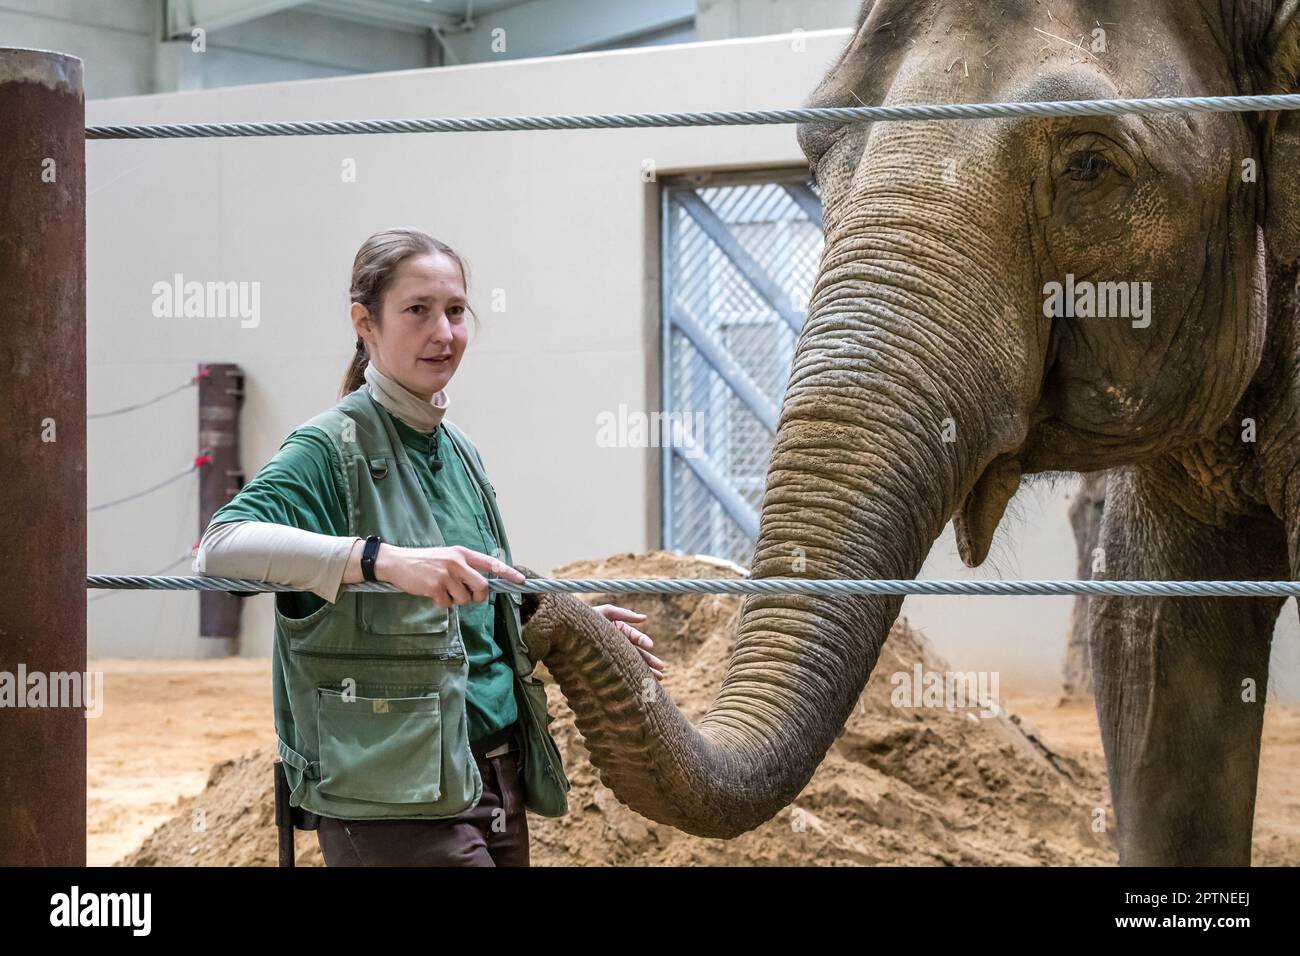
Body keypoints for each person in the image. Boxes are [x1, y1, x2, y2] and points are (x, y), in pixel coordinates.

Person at [193, 227, 666, 866]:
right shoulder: (330, 448)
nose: (443, 333)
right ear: (365, 322)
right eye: (417, 310)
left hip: (491, 773)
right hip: (392, 795)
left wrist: (575, 628)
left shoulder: (460, 450)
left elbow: (463, 614)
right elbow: (219, 551)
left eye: (455, 311)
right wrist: (379, 560)